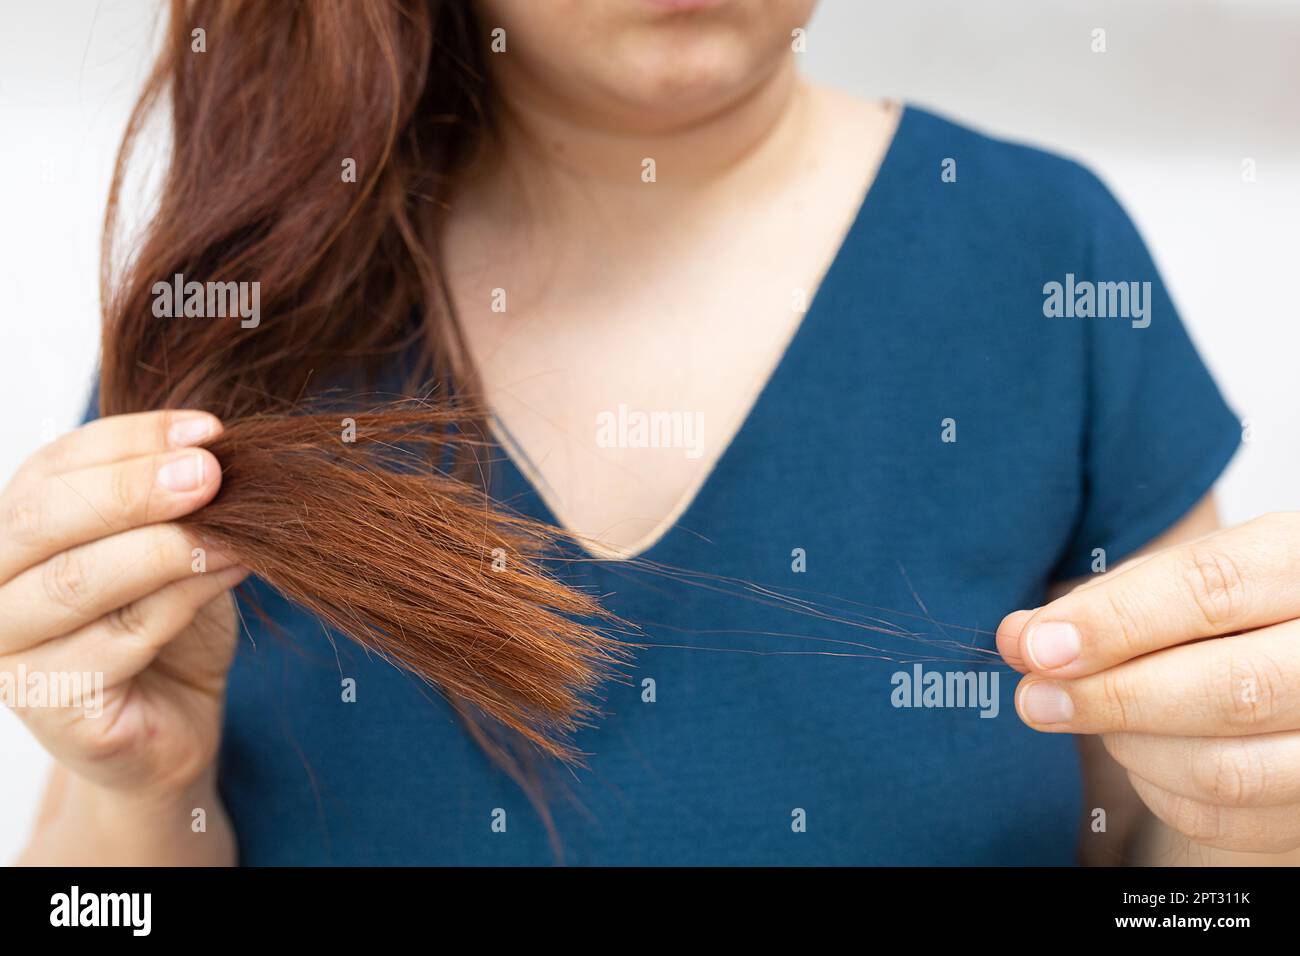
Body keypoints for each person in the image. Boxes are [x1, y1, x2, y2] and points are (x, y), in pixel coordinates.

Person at [9, 0, 1298, 865]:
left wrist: (1263, 810)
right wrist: (133, 795)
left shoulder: (1048, 255)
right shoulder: (242, 313)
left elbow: (1175, 871)